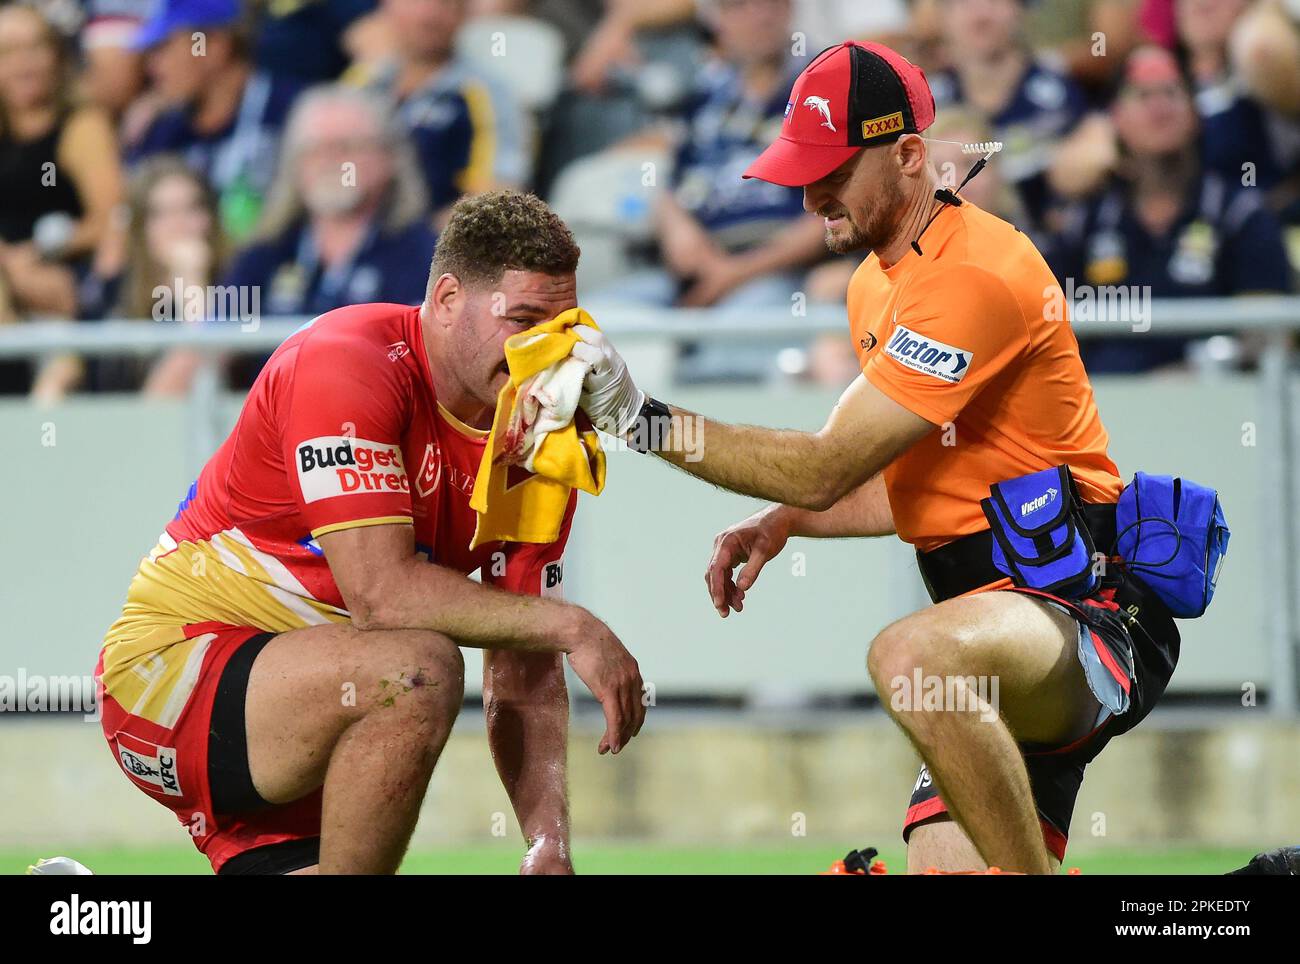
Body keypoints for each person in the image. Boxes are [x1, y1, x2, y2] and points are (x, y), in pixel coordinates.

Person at [574, 41, 1180, 875]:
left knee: (909, 655)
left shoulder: (973, 276)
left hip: (1087, 612)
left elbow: (826, 465)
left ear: (906, 155)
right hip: (995, 631)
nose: (809, 192)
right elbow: (912, 489)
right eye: (799, 167)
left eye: (830, 168)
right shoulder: (874, 281)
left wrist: (640, 421)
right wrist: (788, 518)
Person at [96, 190, 646, 875]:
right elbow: (381, 596)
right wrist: (576, 626)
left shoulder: (539, 430)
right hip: (177, 677)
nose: (546, 351)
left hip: (314, 701)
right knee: (418, 668)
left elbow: (523, 656)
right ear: (446, 300)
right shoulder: (345, 361)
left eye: (562, 326)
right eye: (525, 320)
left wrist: (547, 841)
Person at [1048, 45, 1292, 373]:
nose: (1159, 106)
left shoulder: (1240, 215)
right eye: (1142, 95)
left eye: (1171, 92)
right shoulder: (1085, 224)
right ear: (1116, 118)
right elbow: (1047, 334)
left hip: (1214, 408)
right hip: (1105, 411)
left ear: (1195, 113)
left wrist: (1191, 372)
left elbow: (1270, 334)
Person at [126, 0, 304, 240]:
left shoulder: (294, 114)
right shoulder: (161, 134)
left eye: (163, 48)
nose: (153, 68)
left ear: (215, 46)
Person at [346, 0, 530, 218]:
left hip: (433, 242)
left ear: (464, 13)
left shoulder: (488, 94)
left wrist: (416, 240)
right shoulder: (361, 84)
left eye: (444, 3)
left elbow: (496, 198)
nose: (428, 14)